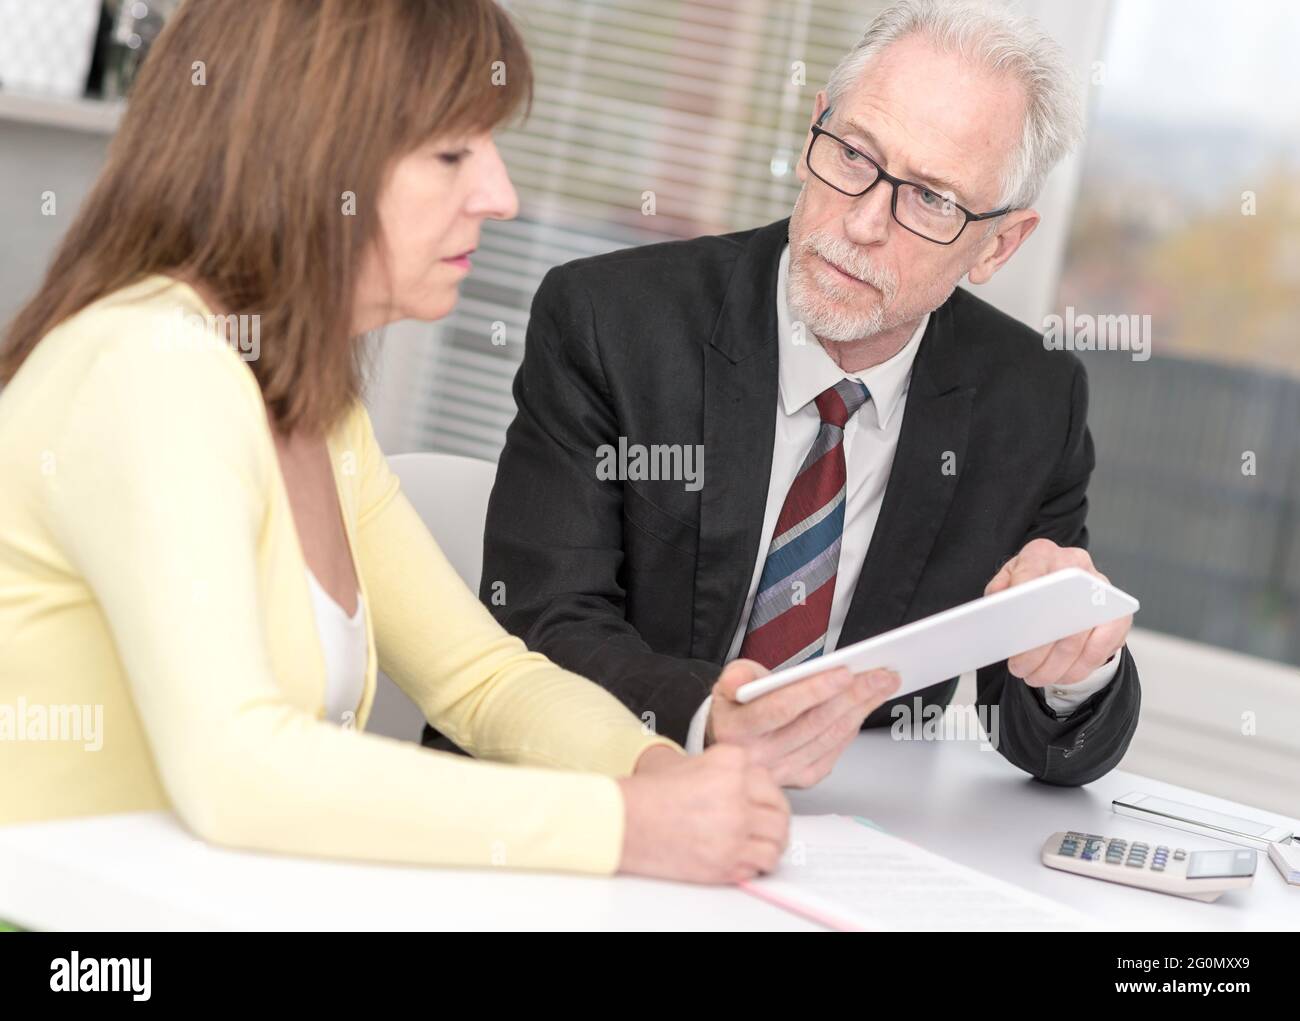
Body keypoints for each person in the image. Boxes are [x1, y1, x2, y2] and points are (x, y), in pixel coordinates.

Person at [0, 0, 789, 885]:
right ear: (305, 160)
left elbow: (485, 680)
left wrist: (663, 775)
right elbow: (237, 768)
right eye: (452, 153)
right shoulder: (155, 366)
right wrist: (624, 824)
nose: (501, 195)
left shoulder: (309, 400)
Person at [472, 0, 1140, 787]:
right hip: (591, 797)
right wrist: (716, 722)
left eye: (931, 199)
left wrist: (1073, 662)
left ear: (998, 243)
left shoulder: (1030, 400)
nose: (862, 223)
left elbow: (1042, 743)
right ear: (812, 132)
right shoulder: (612, 322)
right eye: (854, 154)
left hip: (836, 852)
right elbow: (539, 623)